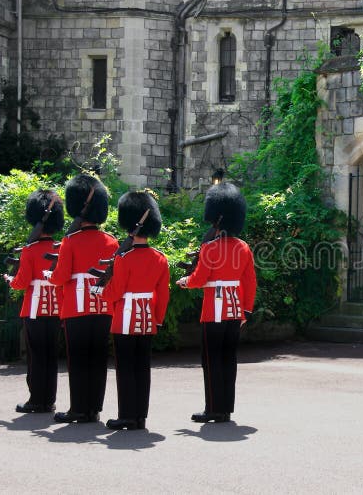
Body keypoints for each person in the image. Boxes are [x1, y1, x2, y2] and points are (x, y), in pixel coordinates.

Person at [176, 179, 256, 423]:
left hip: (214, 312)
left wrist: (185, 281)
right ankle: (225, 408)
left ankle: (213, 409)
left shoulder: (210, 249)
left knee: (211, 361)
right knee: (228, 360)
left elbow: (199, 279)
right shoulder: (243, 247)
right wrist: (245, 312)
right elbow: (250, 283)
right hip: (234, 312)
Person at [48, 174, 118, 423]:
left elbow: (62, 275)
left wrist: (51, 277)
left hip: (76, 307)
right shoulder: (112, 241)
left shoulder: (70, 240)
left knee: (77, 359)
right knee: (98, 359)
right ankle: (94, 409)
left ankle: (79, 408)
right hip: (103, 307)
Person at [96, 191, 169, 431]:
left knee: (126, 369)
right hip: (147, 320)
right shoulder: (160, 258)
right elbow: (163, 295)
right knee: (142, 369)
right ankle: (140, 417)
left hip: (125, 321)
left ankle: (126, 415)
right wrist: (157, 320)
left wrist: (98, 292)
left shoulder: (124, 259)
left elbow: (115, 292)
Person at [4, 189, 65, 414]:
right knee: (50, 357)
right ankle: (49, 400)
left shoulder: (30, 250)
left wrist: (10, 280)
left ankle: (37, 400)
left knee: (37, 358)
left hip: (35, 309)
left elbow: (21, 283)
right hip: (57, 309)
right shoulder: (61, 248)